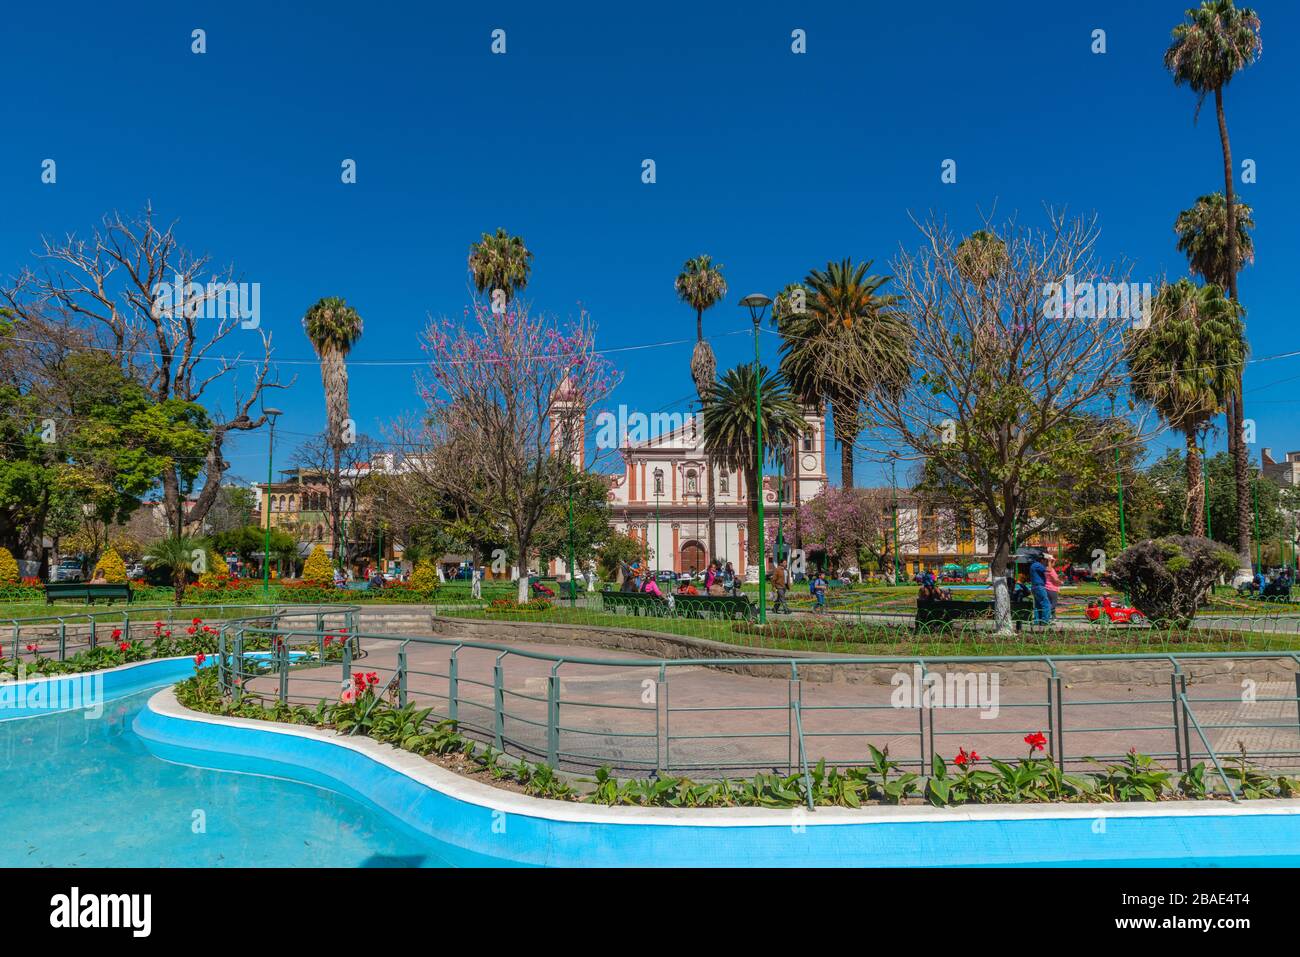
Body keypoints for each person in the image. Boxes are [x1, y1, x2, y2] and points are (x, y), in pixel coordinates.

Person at [1029, 553, 1050, 625]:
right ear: (1042, 560)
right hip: (1039, 587)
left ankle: (1037, 621)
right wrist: (1050, 561)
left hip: (1035, 587)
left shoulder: (1033, 565)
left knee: (1038, 605)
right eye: (1045, 560)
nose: (1046, 562)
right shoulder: (1038, 565)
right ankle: (1045, 621)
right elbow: (1049, 569)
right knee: (1046, 604)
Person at [1043, 553, 1061, 623]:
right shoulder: (1051, 570)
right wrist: (1060, 581)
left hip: (1047, 588)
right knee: (1053, 604)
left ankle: (1054, 617)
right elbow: (1055, 580)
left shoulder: (1045, 569)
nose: (1054, 563)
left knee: (1050, 603)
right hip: (1052, 589)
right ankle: (1046, 616)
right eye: (1054, 562)